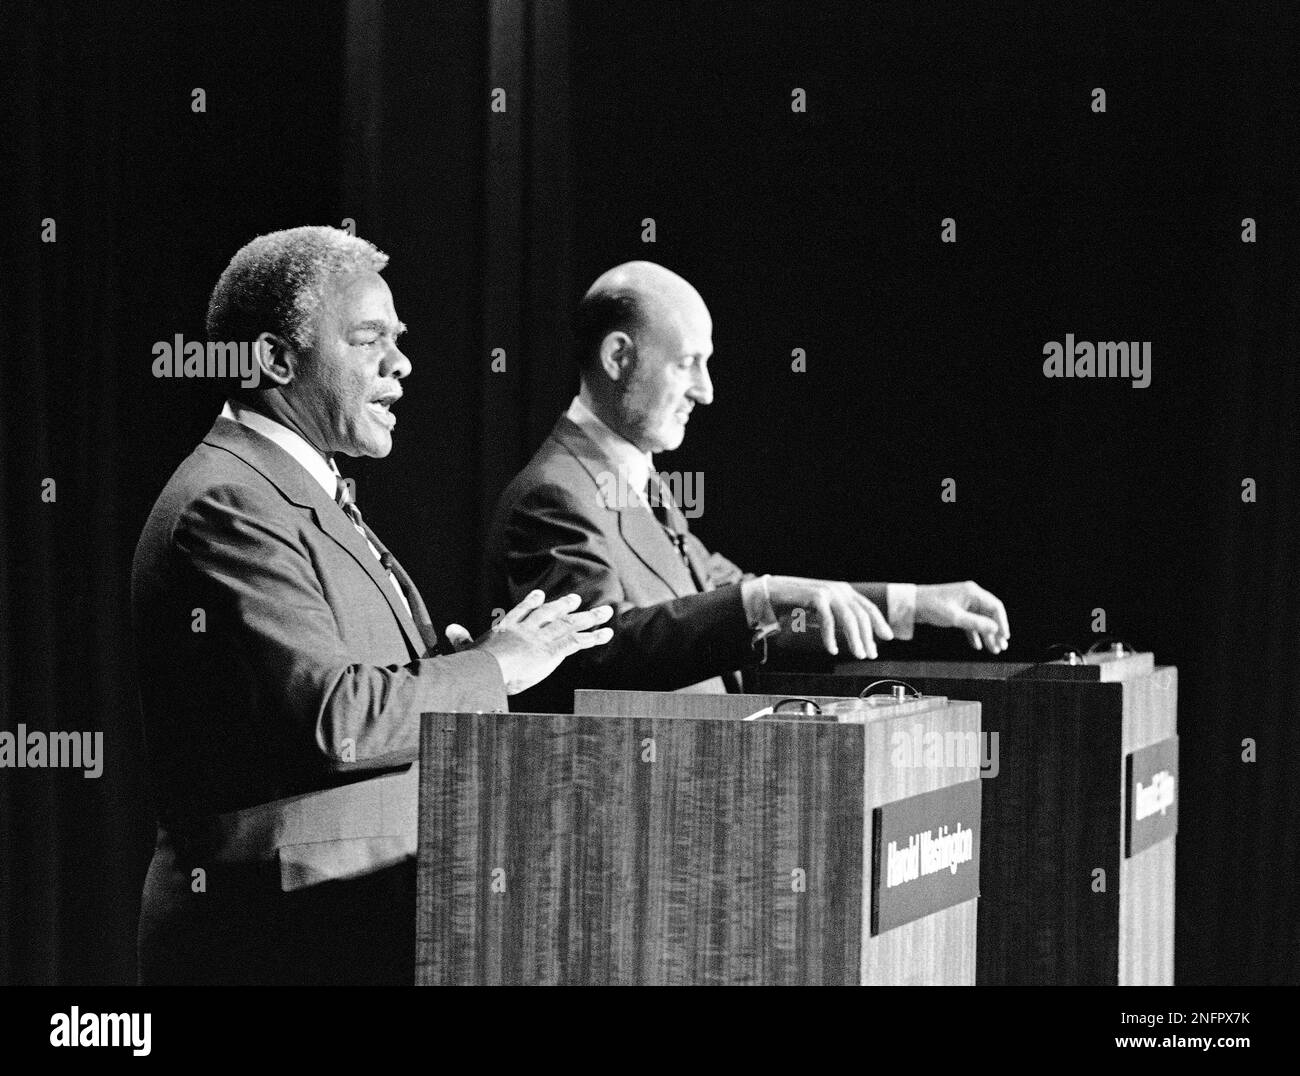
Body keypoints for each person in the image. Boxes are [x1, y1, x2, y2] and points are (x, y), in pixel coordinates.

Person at [132, 226, 611, 983]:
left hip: (350, 923)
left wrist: (450, 666)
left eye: (399, 338)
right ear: (276, 359)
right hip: (276, 940)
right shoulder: (229, 503)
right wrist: (494, 669)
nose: (401, 364)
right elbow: (335, 721)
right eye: (368, 341)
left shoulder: (296, 488)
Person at [488, 261, 1009, 713]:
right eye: (688, 363)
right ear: (618, 357)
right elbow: (602, 651)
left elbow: (725, 600)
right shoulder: (553, 494)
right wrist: (760, 595)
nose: (706, 390)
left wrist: (911, 602)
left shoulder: (630, 478)